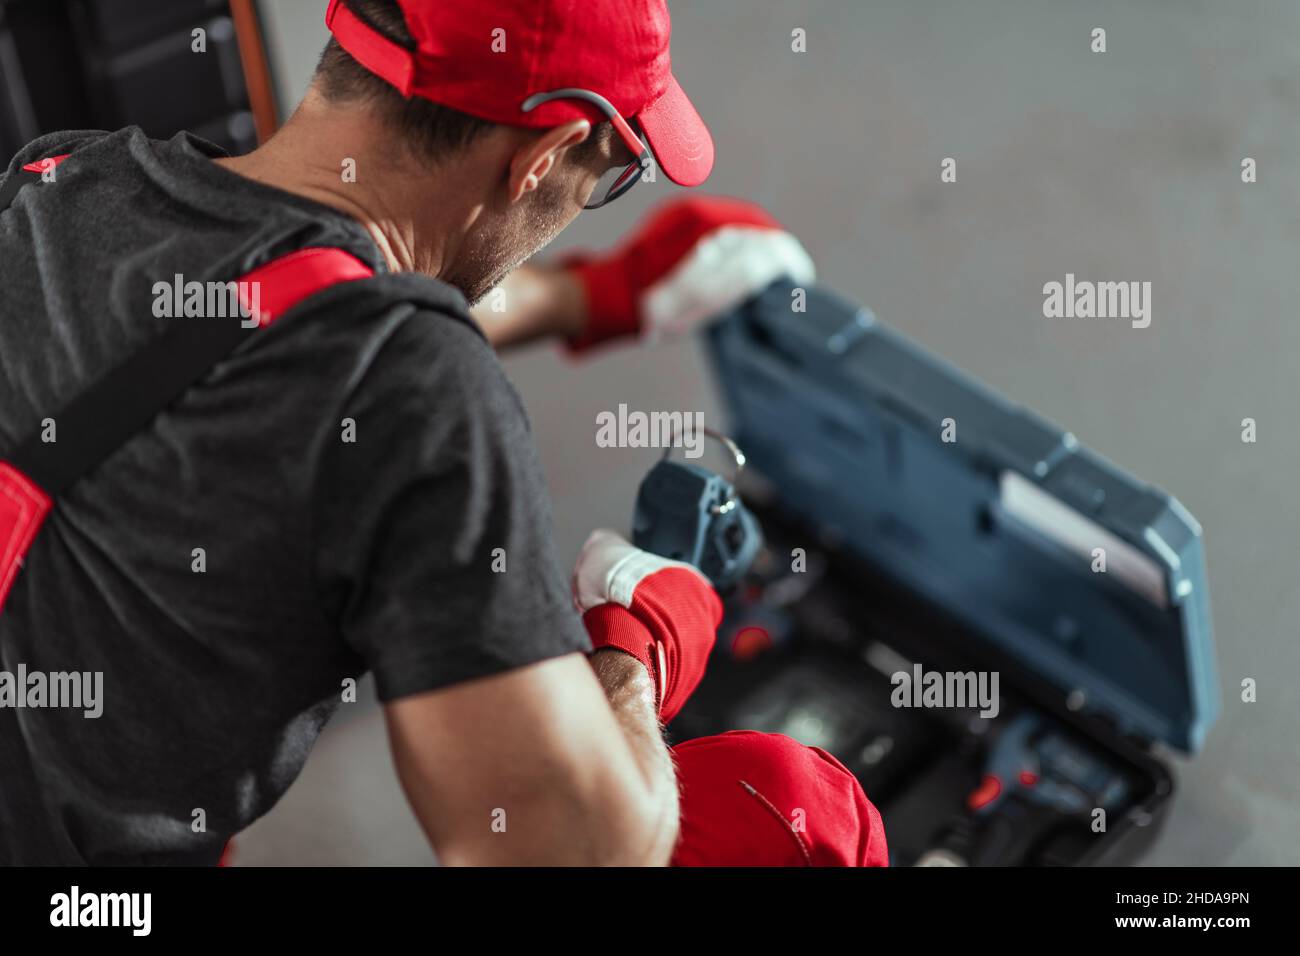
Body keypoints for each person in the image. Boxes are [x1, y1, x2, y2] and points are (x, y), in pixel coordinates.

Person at [0, 0, 884, 866]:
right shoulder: (419, 393)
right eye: (609, 179)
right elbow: (572, 848)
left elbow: (281, 322)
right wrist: (635, 648)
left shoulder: (70, 183)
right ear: (548, 152)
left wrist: (595, 297)